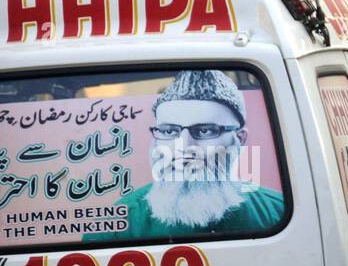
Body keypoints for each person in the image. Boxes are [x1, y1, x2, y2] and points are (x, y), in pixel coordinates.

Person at [85, 70, 284, 243]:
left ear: (239, 139)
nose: (184, 147)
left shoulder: (278, 211)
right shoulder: (118, 224)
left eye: (205, 131)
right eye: (170, 131)